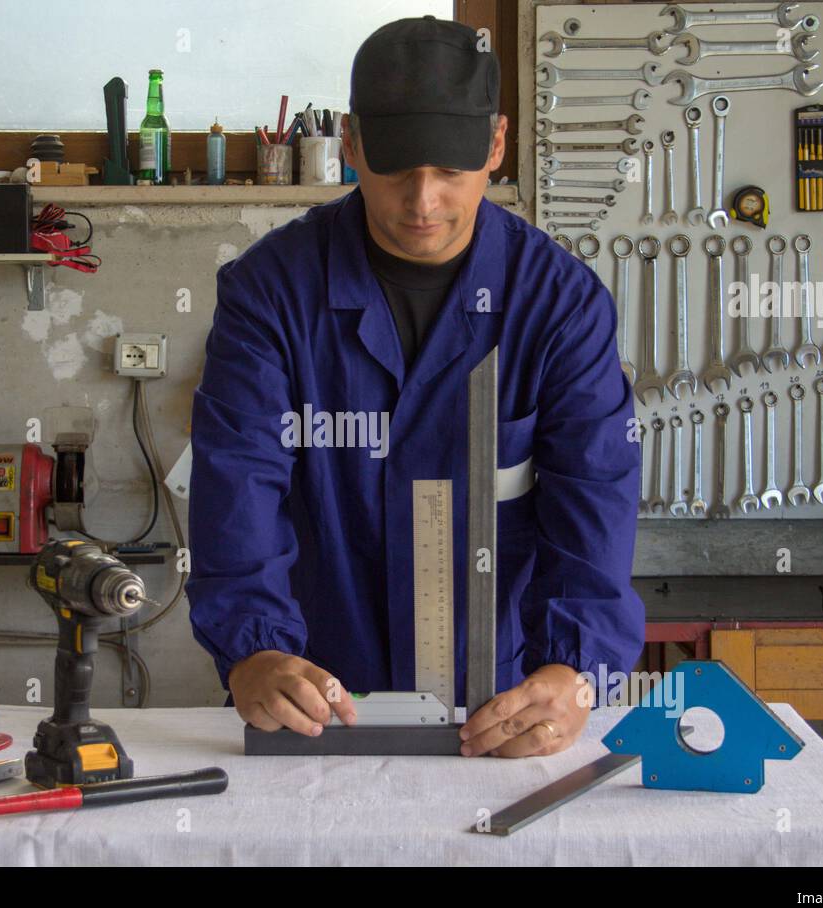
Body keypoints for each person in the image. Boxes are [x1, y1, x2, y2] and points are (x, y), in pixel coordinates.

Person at [187, 15, 643, 757]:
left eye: (451, 171)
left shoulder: (561, 305)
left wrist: (573, 671)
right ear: (353, 143)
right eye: (397, 169)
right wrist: (254, 651)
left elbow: (595, 502)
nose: (423, 201)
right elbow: (237, 485)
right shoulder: (269, 293)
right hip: (317, 701)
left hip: (501, 707)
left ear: (495, 146)